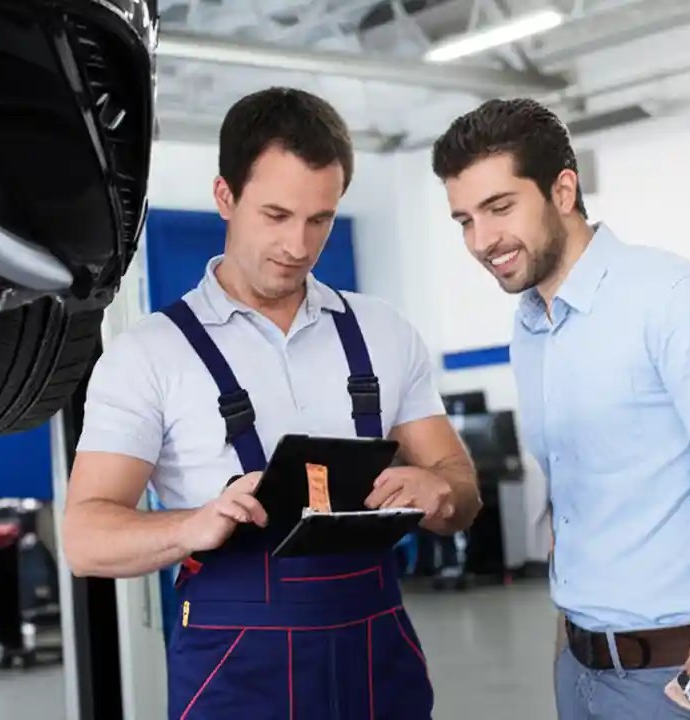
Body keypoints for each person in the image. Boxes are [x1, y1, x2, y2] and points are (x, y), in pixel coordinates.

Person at [63, 87, 481, 719]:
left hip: (378, 656)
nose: (298, 245)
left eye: (320, 219)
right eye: (276, 215)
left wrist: (440, 493)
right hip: (236, 669)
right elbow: (85, 537)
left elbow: (462, 492)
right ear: (225, 197)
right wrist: (190, 526)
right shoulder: (148, 354)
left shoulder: (384, 333)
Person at [431, 98, 690, 719]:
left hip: (680, 679)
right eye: (464, 220)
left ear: (563, 189)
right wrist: (568, 655)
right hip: (580, 673)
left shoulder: (677, 301)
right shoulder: (531, 327)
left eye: (499, 209)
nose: (482, 240)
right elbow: (574, 509)